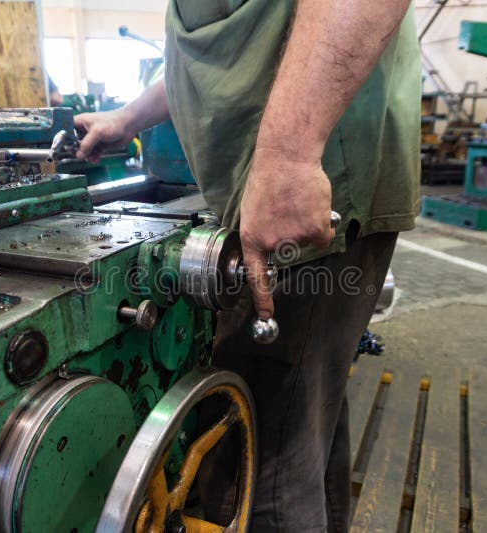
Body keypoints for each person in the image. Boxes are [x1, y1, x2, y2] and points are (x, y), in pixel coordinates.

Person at [75, 1, 420, 531]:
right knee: (303, 423)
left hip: (306, 186)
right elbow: (221, 54)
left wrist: (290, 158)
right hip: (288, 177)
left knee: (257, 469)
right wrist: (129, 118)